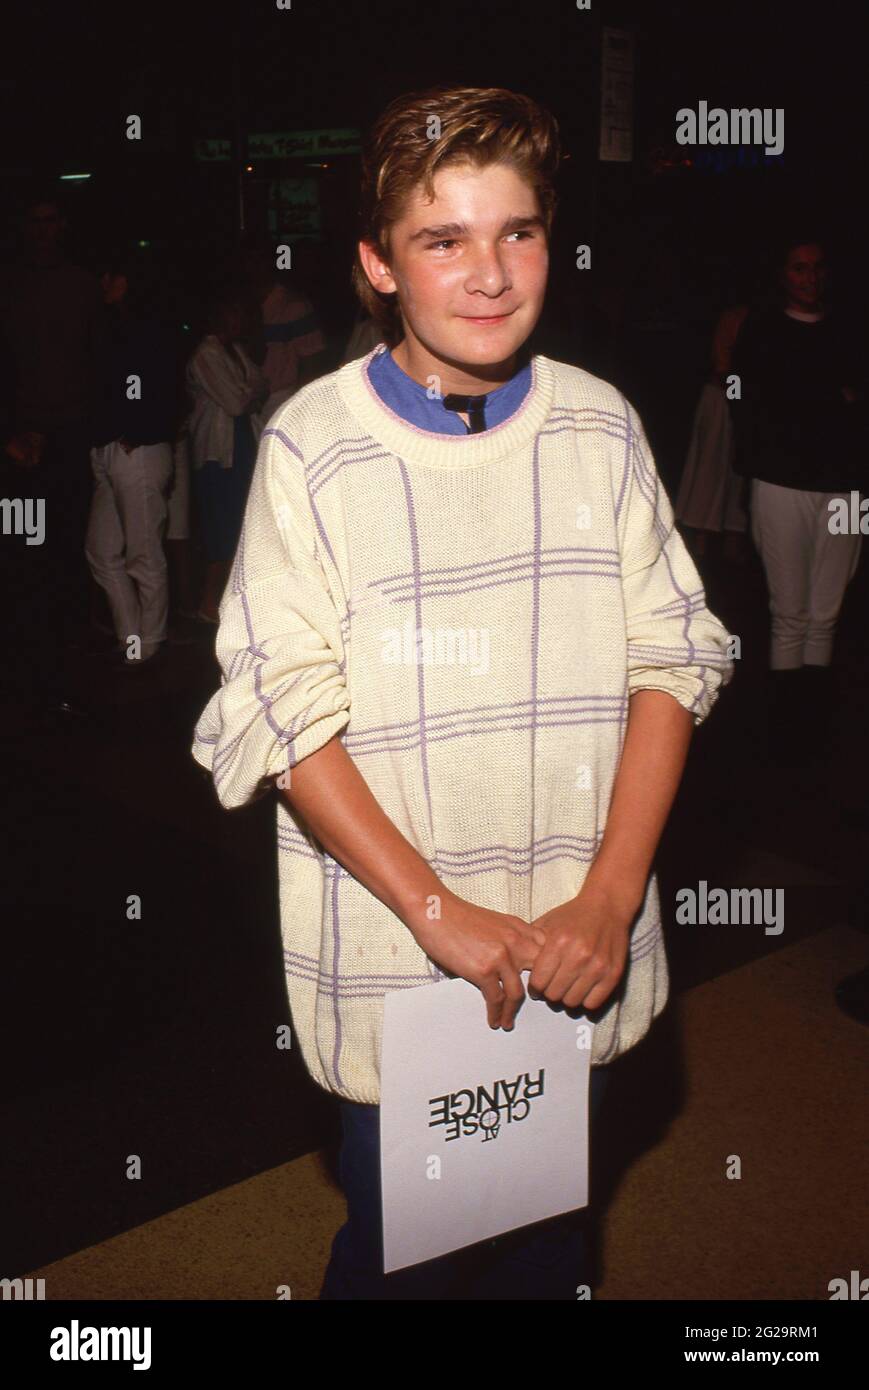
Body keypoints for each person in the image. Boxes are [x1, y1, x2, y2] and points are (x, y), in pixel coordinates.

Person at [191, 84, 734, 1299]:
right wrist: (439, 917)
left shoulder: (599, 427)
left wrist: (607, 897)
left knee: (547, 1244)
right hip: (404, 965)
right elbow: (285, 714)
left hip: (574, 953)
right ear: (377, 264)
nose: (487, 273)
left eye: (517, 232)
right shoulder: (310, 449)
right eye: (444, 239)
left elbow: (670, 656)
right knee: (404, 1254)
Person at [731, 236, 866, 757]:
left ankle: (815, 724)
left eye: (817, 269)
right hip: (780, 482)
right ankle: (786, 729)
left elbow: (854, 401)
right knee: (789, 610)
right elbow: (744, 398)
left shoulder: (848, 329)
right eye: (799, 268)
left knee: (827, 610)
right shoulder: (763, 329)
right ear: (783, 274)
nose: (810, 278)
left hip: (845, 488)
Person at [0, 191, 106, 720]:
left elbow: (96, 361)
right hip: (21, 453)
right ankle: (31, 677)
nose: (44, 230)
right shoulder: (12, 285)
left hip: (67, 445)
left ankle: (58, 678)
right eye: (34, 220)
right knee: (25, 554)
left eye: (51, 219)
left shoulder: (81, 286)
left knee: (65, 558)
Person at [85, 254, 182, 670]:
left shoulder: (149, 326)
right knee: (101, 551)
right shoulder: (110, 324)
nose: (104, 281)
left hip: (137, 450)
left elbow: (162, 388)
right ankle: (133, 640)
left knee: (143, 555)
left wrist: (135, 429)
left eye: (112, 274)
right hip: (111, 448)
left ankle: (150, 643)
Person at [185, 286, 269, 623]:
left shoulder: (233, 349)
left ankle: (227, 602)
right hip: (217, 454)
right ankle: (207, 603)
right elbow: (237, 402)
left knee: (239, 527)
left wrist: (248, 393)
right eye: (234, 314)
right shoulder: (206, 353)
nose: (240, 321)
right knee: (220, 529)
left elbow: (261, 386)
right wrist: (249, 393)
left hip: (242, 447)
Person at [676, 303, 750, 561]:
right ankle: (700, 537)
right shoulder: (731, 317)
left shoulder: (763, 317)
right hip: (721, 398)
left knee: (738, 471)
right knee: (709, 467)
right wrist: (736, 399)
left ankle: (733, 535)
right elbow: (722, 365)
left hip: (747, 403)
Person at [240, 237, 329, 422]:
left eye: (260, 260)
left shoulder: (293, 306)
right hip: (246, 400)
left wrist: (303, 406)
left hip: (282, 399)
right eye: (249, 260)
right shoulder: (239, 306)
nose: (254, 267)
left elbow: (312, 360)